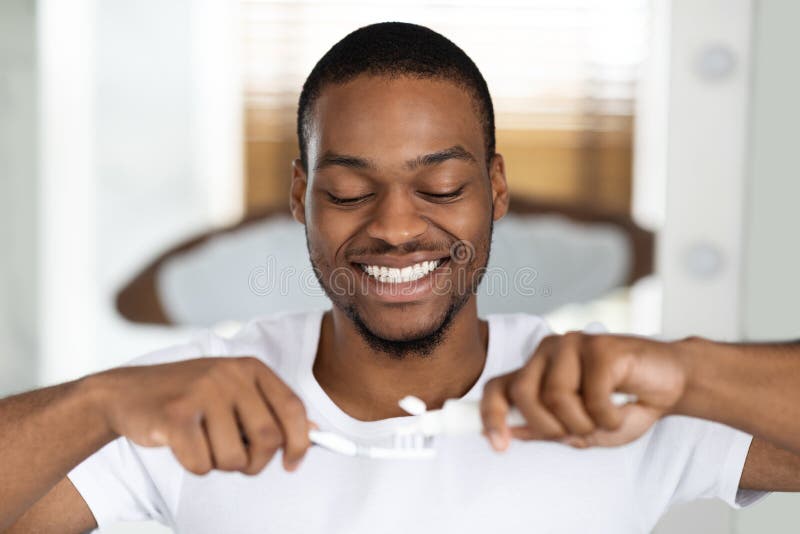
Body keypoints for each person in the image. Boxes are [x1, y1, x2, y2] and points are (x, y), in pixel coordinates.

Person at [2, 22, 800, 534]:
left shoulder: (612, 401)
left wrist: (689, 370)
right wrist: (98, 402)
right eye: (349, 191)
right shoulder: (201, 406)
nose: (393, 226)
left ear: (496, 190)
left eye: (442, 188)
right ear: (299, 198)